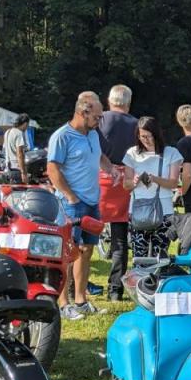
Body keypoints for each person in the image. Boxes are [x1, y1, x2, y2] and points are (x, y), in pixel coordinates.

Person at [46, 91, 121, 320]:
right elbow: (53, 170)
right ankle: (63, 302)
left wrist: (111, 169)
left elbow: (99, 157)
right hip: (72, 204)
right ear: (83, 112)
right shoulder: (62, 137)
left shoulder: (93, 135)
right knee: (69, 253)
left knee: (86, 251)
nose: (99, 122)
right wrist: (70, 197)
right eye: (97, 117)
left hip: (91, 202)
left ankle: (81, 300)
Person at [98, 85, 139, 301]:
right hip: (125, 180)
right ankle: (115, 290)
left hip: (101, 178)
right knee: (120, 239)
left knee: (85, 234)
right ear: (128, 102)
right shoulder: (135, 124)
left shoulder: (101, 119)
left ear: (109, 100)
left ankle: (77, 286)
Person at [122, 116, 182, 259]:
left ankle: (158, 280)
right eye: (142, 136)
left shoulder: (171, 153)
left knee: (160, 256)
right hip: (138, 209)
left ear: (156, 134)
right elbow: (126, 185)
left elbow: (174, 183)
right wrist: (135, 180)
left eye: (149, 136)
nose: (145, 140)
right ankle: (141, 280)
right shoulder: (132, 153)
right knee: (139, 255)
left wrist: (155, 179)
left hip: (164, 209)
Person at [3, 114, 30, 182]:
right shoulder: (19, 133)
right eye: (27, 125)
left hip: (8, 166)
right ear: (25, 123)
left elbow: (4, 148)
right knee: (22, 191)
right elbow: (20, 154)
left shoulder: (7, 132)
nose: (27, 127)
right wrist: (23, 172)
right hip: (17, 168)